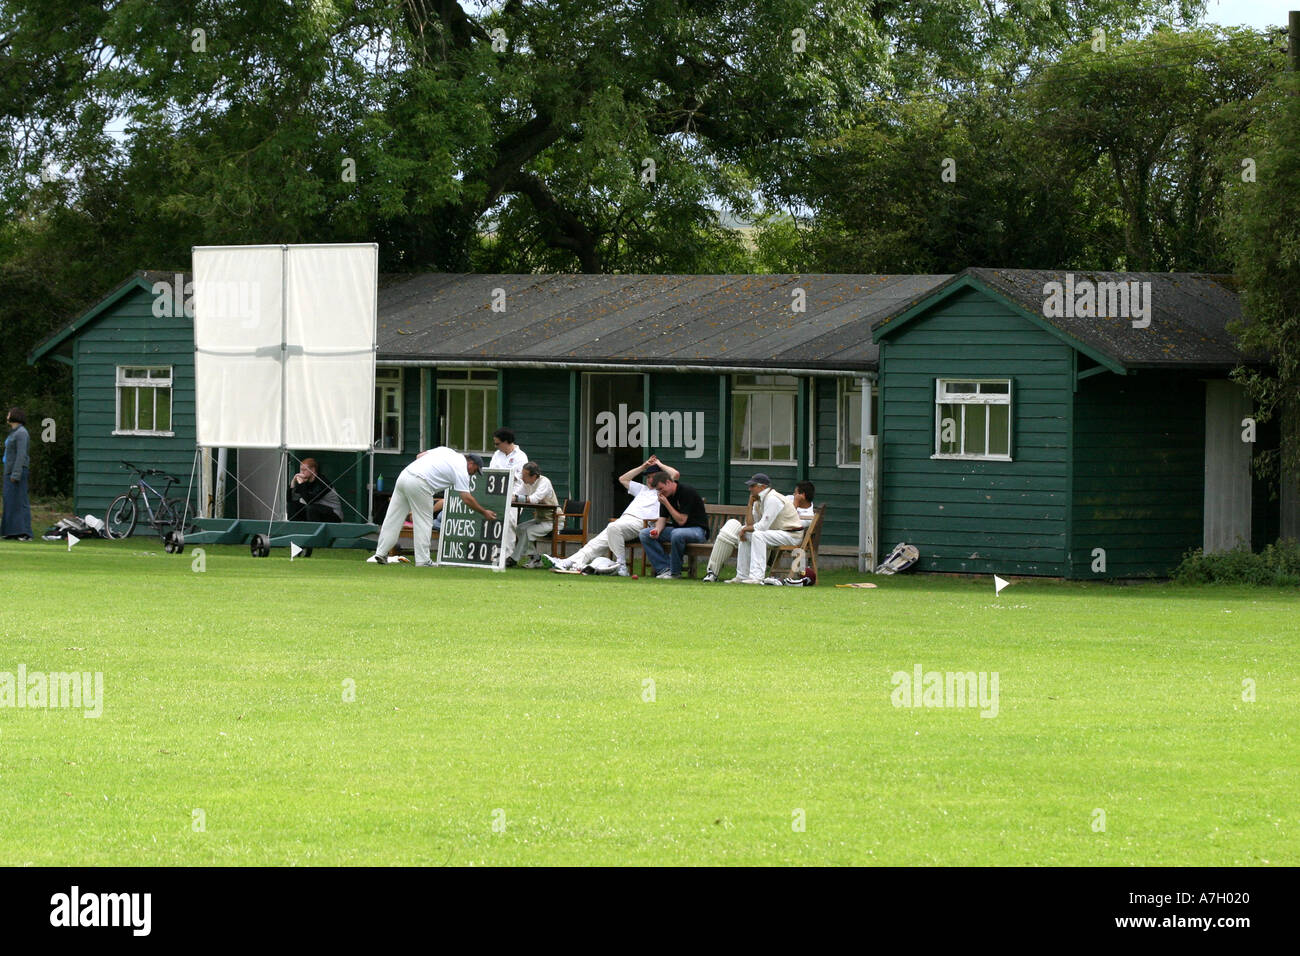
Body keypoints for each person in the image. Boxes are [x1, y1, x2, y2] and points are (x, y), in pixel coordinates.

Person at [544, 455, 678, 576]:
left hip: (642, 523)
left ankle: (621, 566)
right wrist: (643, 466)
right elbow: (623, 479)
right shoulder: (642, 489)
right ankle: (568, 562)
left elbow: (675, 474)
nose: (649, 480)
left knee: (613, 527)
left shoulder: (663, 492)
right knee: (595, 543)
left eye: (653, 476)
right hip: (624, 521)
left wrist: (659, 464)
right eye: (648, 477)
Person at [368, 447, 497, 567]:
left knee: (392, 519)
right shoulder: (462, 469)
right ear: (471, 463)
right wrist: (484, 512)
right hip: (421, 483)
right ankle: (423, 560)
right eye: (475, 471)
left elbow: (420, 456)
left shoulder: (446, 451)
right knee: (424, 522)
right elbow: (466, 498)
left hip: (404, 475)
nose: (473, 474)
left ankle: (381, 553)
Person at [723, 474, 806, 584]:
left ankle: (757, 577)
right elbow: (751, 524)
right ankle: (742, 576)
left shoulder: (772, 499)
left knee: (758, 535)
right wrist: (749, 505)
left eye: (752, 486)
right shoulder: (758, 501)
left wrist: (746, 529)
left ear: (762, 487)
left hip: (792, 535)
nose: (749, 489)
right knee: (746, 534)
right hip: (778, 532)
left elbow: (762, 527)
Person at [640, 469, 709, 579]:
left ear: (668, 482)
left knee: (677, 534)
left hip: (698, 530)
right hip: (678, 530)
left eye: (661, 489)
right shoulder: (665, 496)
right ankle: (664, 569)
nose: (660, 493)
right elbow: (662, 519)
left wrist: (666, 504)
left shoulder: (686, 491)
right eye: (658, 491)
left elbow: (681, 520)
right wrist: (657, 530)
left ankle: (675, 573)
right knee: (644, 533)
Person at [510, 461, 559, 568]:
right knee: (519, 528)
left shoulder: (544, 482)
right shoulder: (526, 483)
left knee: (527, 531)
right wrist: (512, 496)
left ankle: (514, 558)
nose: (522, 478)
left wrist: (516, 498)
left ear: (534, 476)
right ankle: (535, 558)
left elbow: (534, 499)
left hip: (554, 521)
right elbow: (516, 494)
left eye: (525, 476)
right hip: (540, 519)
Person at [489, 427, 527, 564]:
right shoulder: (497, 455)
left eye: (498, 443)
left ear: (507, 442)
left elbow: (518, 478)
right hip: (497, 494)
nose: (496, 446)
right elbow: (492, 473)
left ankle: (507, 556)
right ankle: (494, 554)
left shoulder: (520, 456)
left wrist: (513, 495)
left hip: (514, 495)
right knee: (494, 522)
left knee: (510, 522)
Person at [2, 407, 31, 541]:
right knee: (9, 501)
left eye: (9, 414)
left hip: (17, 472)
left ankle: (24, 532)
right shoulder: (13, 433)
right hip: (8, 471)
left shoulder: (21, 433)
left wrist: (16, 474)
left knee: (20, 501)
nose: (7, 416)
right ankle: (11, 531)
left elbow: (21, 455)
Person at [287, 458, 343, 523]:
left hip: (333, 515)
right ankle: (295, 529)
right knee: (292, 506)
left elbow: (310, 500)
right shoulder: (304, 481)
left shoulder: (322, 482)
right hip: (314, 512)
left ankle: (313, 531)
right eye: (301, 470)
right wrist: (293, 482)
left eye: (304, 470)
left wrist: (302, 484)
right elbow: (290, 499)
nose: (301, 472)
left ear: (313, 470)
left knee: (311, 508)